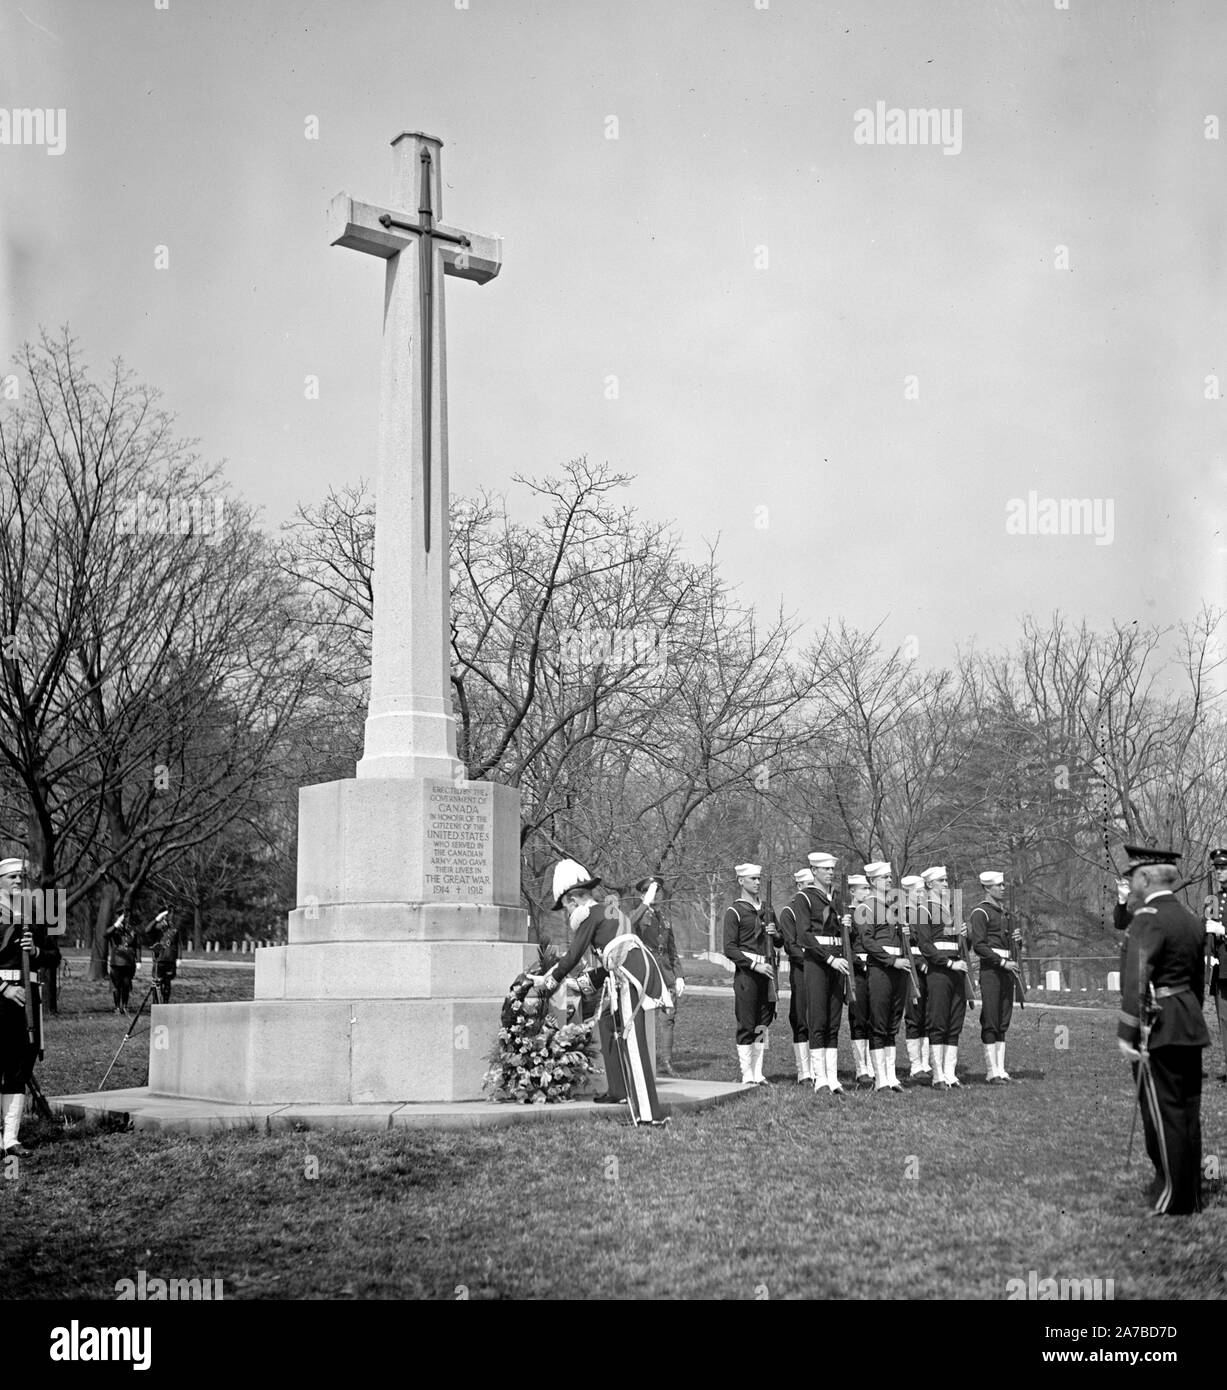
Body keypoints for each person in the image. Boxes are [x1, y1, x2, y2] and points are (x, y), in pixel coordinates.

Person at [538, 859, 669, 1125]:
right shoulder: (606, 912)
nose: (566, 914)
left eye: (565, 906)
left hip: (628, 977)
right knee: (608, 1023)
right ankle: (619, 1091)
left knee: (633, 1043)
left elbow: (574, 955)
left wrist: (551, 981)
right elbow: (608, 961)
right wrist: (579, 984)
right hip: (624, 973)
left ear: (574, 899)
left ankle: (648, 1116)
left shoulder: (589, 914)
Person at [1117, 845, 1211, 1216]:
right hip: (1188, 1021)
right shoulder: (1189, 917)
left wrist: (1127, 1033)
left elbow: (1136, 979)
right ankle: (1186, 1191)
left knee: (1163, 1113)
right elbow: (1198, 980)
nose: (1131, 885)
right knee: (1187, 1111)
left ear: (1144, 878)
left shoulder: (1147, 918)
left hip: (1158, 1027)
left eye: (1133, 877)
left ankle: (1174, 1197)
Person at [792, 851, 851, 1096]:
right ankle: (819, 1078)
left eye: (832, 870)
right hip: (818, 964)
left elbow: (841, 933)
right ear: (814, 871)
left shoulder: (836, 898)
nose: (830, 873)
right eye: (825, 869)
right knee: (817, 1019)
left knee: (833, 1021)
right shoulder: (804, 898)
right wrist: (829, 959)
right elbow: (804, 935)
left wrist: (848, 924)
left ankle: (832, 1077)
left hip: (838, 963)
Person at [0, 856, 45, 1157]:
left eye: (21, 877)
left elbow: (52, 955)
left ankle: (10, 1139)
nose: (18, 881)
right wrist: (3, 988)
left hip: (28, 997)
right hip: (1, 995)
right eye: (12, 877)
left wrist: (37, 949)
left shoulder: (32, 912)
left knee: (20, 1065)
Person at [722, 862, 780, 1086]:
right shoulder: (734, 911)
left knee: (763, 1022)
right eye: (752, 879)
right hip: (748, 973)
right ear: (741, 881)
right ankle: (746, 1072)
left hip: (768, 972)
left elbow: (781, 941)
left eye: (758, 878)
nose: (757, 882)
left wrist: (775, 933)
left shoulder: (767, 909)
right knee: (747, 1022)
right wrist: (754, 966)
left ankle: (759, 1071)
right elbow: (730, 948)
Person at [858, 861, 910, 1093]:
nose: (889, 881)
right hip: (881, 969)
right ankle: (880, 1078)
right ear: (872, 882)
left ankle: (890, 1077)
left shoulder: (893, 908)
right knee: (879, 1023)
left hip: (898, 970)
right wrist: (891, 960)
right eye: (884, 878)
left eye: (890, 877)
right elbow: (867, 941)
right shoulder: (866, 907)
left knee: (892, 1024)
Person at [916, 865, 970, 1089]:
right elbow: (926, 946)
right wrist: (948, 963)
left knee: (954, 1022)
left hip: (958, 970)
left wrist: (967, 936)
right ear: (930, 885)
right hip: (940, 972)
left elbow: (962, 947)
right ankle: (938, 1074)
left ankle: (950, 1073)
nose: (946, 885)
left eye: (946, 881)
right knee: (938, 1021)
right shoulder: (924, 911)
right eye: (941, 881)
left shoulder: (952, 911)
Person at [968, 871, 1022, 1083]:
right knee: (991, 1018)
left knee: (1003, 1018)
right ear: (987, 888)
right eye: (998, 885)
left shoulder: (1006, 914)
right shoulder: (980, 912)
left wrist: (1018, 941)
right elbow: (979, 945)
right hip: (992, 970)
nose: (1003, 888)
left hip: (1007, 970)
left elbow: (1009, 945)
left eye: (1003, 884)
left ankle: (1000, 1069)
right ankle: (992, 1071)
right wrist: (1001, 962)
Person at [629, 876, 684, 1077]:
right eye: (652, 892)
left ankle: (666, 1062)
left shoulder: (665, 919)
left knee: (668, 1018)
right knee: (642, 1019)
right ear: (643, 894)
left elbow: (672, 950)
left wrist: (679, 976)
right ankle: (642, 1060)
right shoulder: (637, 916)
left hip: (666, 973)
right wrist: (645, 904)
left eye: (658, 892)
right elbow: (628, 924)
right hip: (646, 972)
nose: (657, 896)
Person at [778, 868, 813, 1084]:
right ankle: (804, 1071)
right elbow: (791, 946)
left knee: (820, 1019)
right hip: (802, 971)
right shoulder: (789, 912)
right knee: (801, 1018)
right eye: (808, 885)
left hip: (822, 970)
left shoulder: (822, 911)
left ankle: (819, 1068)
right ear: (799, 887)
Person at [842, 874, 875, 1088]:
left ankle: (873, 1065)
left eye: (868, 888)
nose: (867, 892)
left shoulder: (872, 913)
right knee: (859, 1019)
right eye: (863, 889)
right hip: (857, 970)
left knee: (875, 1018)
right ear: (853, 892)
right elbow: (846, 945)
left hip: (874, 968)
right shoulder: (847, 914)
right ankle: (861, 1067)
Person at [900, 874, 932, 1083]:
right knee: (913, 1016)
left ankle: (926, 1063)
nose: (921, 895)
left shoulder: (926, 913)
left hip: (928, 968)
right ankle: (915, 1065)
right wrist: (920, 961)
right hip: (911, 969)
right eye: (917, 891)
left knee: (927, 1015)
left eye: (923, 891)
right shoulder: (901, 914)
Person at [1204, 849, 1227, 1080]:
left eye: (1223, 868)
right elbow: (1206, 934)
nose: (1219, 872)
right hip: (1221, 970)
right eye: (1217, 868)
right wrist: (1207, 953)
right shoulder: (1212, 900)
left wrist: (1224, 931)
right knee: (1224, 1023)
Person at [105, 910, 140, 1014]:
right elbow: (106, 934)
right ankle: (117, 1007)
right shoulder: (114, 930)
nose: (126, 919)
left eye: (128, 917)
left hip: (129, 962)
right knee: (117, 985)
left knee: (126, 984)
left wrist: (138, 960)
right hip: (117, 962)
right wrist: (116, 924)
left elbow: (137, 945)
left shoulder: (132, 931)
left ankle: (125, 1006)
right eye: (124, 917)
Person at [143, 910, 180, 1004]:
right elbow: (147, 930)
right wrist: (157, 919)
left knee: (167, 984)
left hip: (170, 960)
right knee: (157, 984)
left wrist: (179, 958)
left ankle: (165, 1004)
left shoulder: (174, 929)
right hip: (159, 960)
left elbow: (178, 944)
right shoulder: (157, 928)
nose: (171, 917)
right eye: (168, 916)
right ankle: (156, 1003)